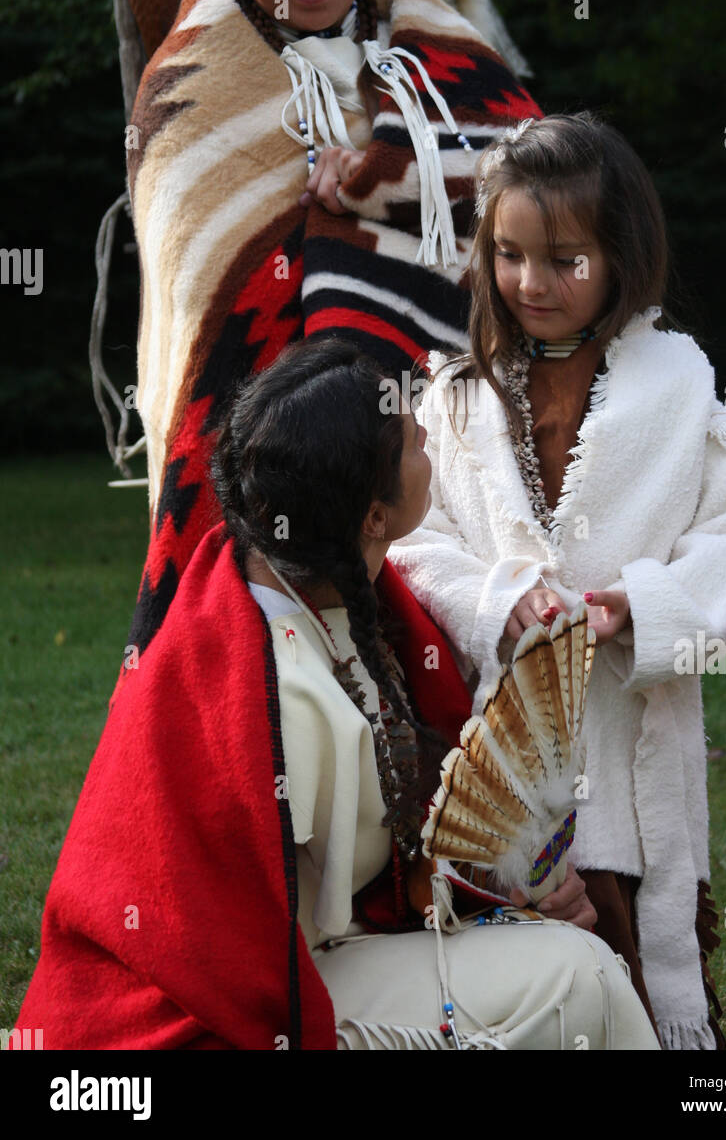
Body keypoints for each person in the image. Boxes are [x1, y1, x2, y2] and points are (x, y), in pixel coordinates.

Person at [12, 338, 659, 1051]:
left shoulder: (279, 581)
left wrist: (508, 887)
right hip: (233, 1009)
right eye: (414, 440)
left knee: (575, 966)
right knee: (579, 977)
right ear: (372, 518)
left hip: (303, 955)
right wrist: (496, 896)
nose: (428, 440)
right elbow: (328, 898)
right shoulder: (278, 689)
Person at [387, 112, 726, 1050]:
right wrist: (496, 601)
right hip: (508, 744)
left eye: (565, 259)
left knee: (637, 978)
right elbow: (416, 538)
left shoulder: (679, 385)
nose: (532, 283)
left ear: (621, 256)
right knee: (528, 979)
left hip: (629, 730)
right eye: (512, 256)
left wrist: (637, 608)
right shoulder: (455, 394)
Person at [125, 0, 542, 671]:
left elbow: (537, 186)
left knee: (436, 653)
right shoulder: (191, 77)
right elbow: (198, 262)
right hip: (263, 428)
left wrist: (379, 175)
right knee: (273, 673)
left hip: (430, 417)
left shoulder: (433, 45)